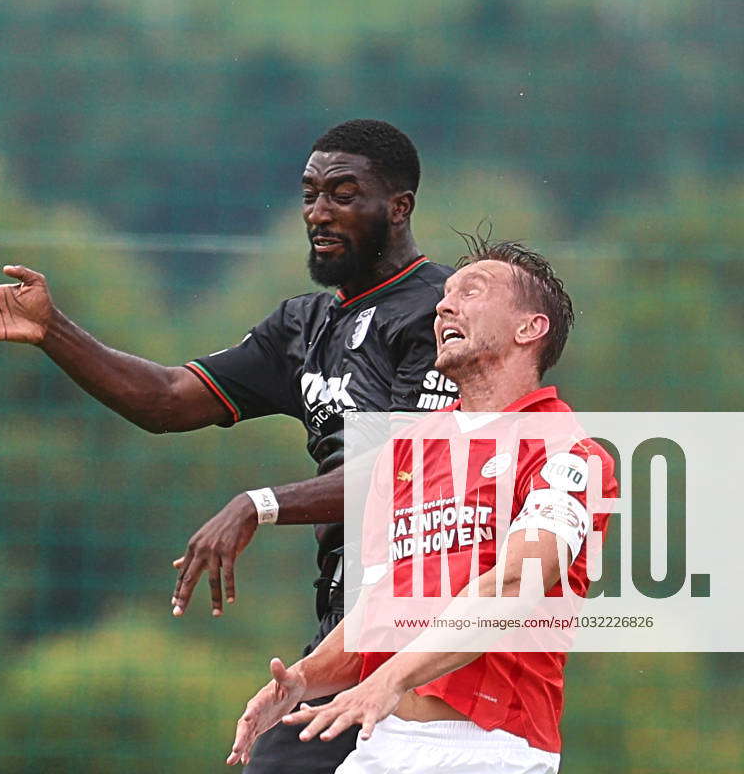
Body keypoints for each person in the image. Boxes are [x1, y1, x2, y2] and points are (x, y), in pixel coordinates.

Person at [0, 119, 457, 774]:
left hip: (430, 619)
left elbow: (408, 473)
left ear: (399, 206)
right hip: (346, 624)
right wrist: (53, 331)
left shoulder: (442, 312)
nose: (319, 213)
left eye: (343, 195)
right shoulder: (303, 327)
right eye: (309, 195)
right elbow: (166, 399)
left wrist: (258, 504)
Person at [227, 239, 618, 774]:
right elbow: (377, 611)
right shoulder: (407, 453)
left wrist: (388, 680)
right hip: (384, 741)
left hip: (489, 750)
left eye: (472, 292)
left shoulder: (568, 452)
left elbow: (513, 585)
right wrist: (304, 680)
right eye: (445, 294)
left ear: (530, 328)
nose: (443, 306)